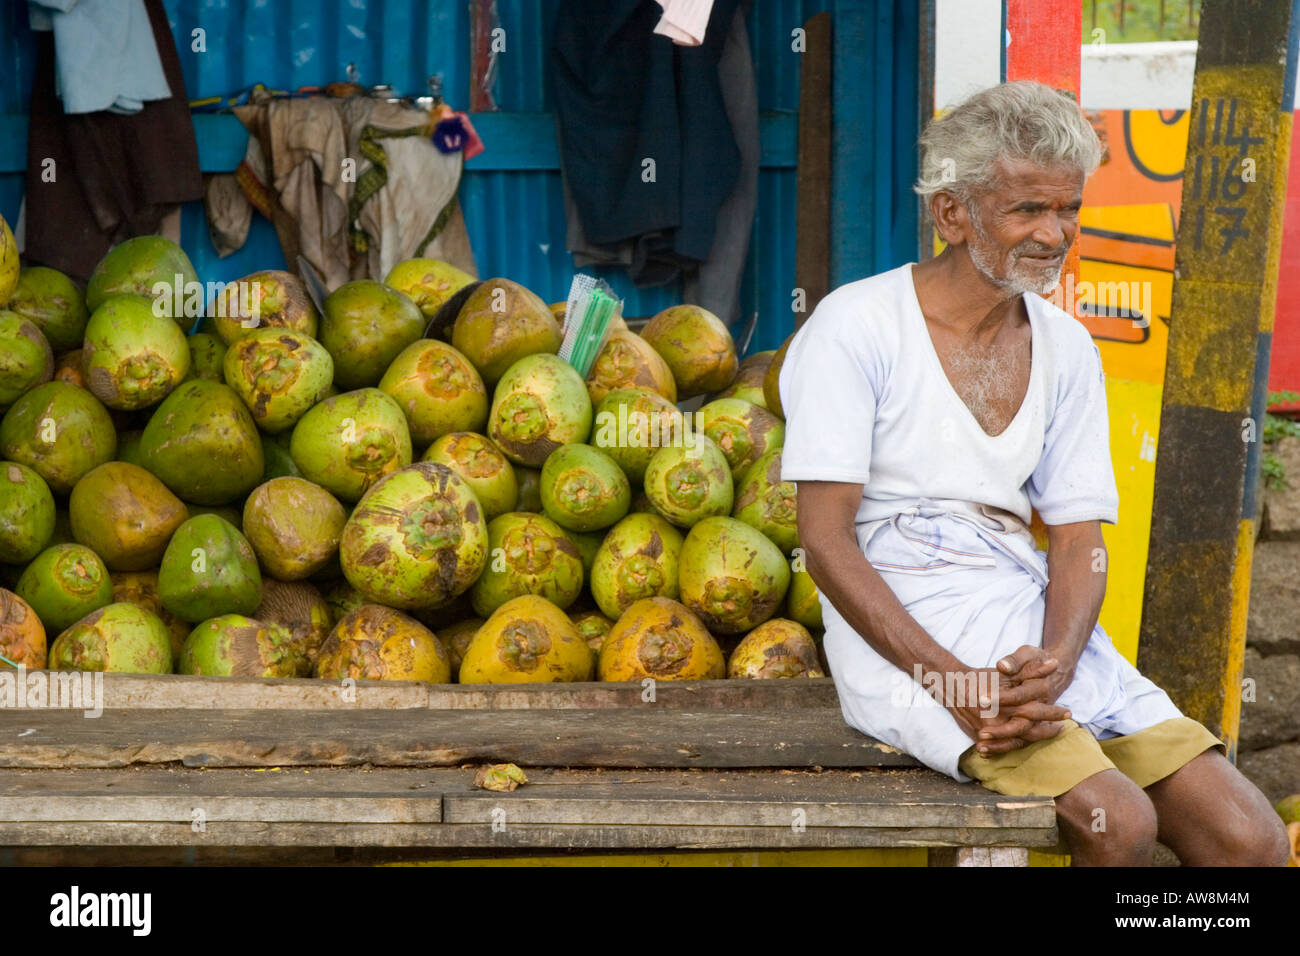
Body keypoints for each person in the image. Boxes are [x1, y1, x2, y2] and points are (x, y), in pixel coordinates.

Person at [780, 81, 1289, 866]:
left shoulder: (1066, 348)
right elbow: (825, 543)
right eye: (1028, 210)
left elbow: (1081, 539)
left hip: (1027, 630)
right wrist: (954, 685)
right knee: (1117, 825)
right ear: (952, 213)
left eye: (1069, 210)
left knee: (1249, 841)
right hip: (908, 635)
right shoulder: (856, 325)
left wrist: (1052, 664)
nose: (1056, 234)